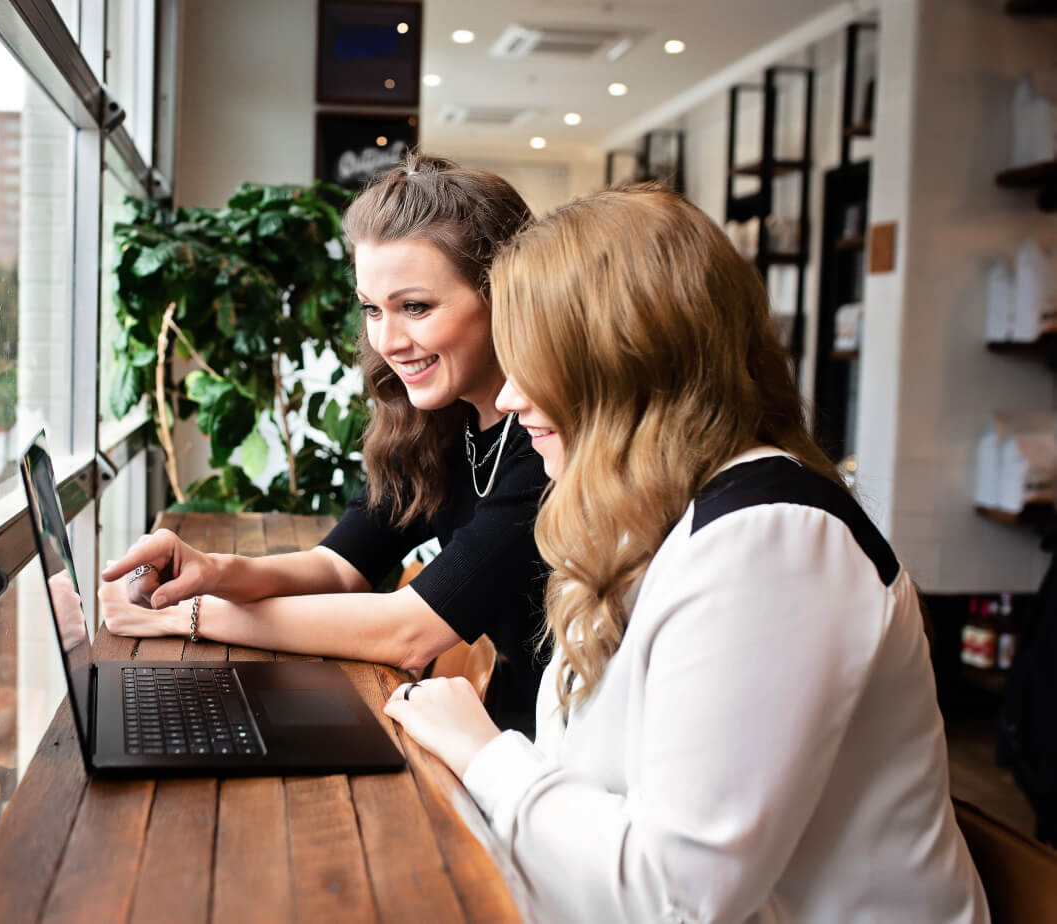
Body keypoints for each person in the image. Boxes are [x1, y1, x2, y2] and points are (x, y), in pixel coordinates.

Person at [385, 187, 989, 922]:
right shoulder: (647, 518)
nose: (509, 397)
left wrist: (483, 753)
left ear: (621, 362)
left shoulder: (774, 542)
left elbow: (675, 900)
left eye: (534, 363)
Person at [99, 154, 550, 732]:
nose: (388, 340)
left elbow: (407, 633)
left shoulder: (545, 442)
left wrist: (188, 616)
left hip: (543, 757)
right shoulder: (436, 422)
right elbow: (340, 567)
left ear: (502, 297)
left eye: (415, 307)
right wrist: (212, 570)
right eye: (372, 309)